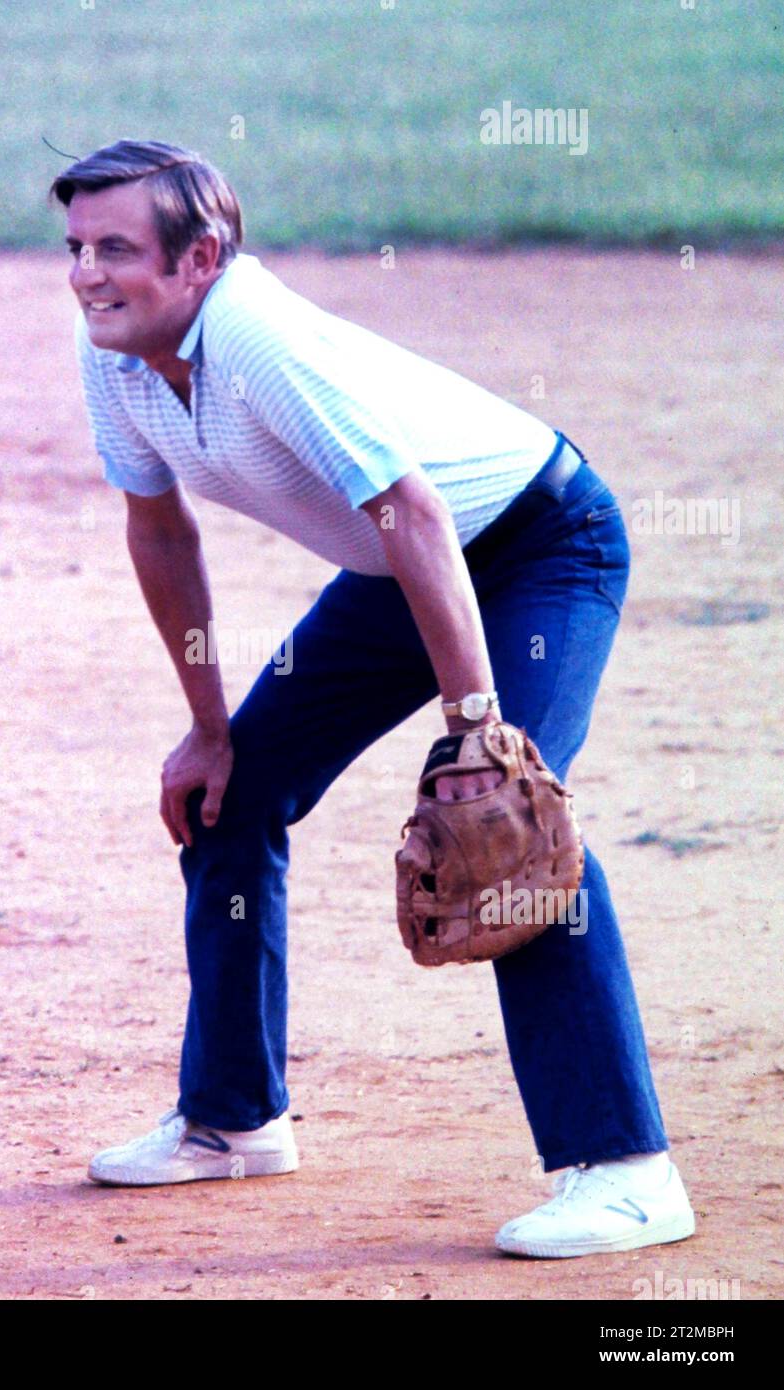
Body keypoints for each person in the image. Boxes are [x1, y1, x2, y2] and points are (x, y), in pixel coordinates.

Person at [53, 138, 696, 1258]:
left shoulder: (255, 338)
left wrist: (476, 729)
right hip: (405, 569)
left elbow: (413, 510)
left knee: (512, 823)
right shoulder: (109, 349)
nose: (86, 275)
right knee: (232, 794)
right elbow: (159, 527)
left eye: (116, 249)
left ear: (201, 257)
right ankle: (233, 1118)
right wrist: (210, 731)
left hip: (540, 543)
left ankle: (629, 1172)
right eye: (74, 248)